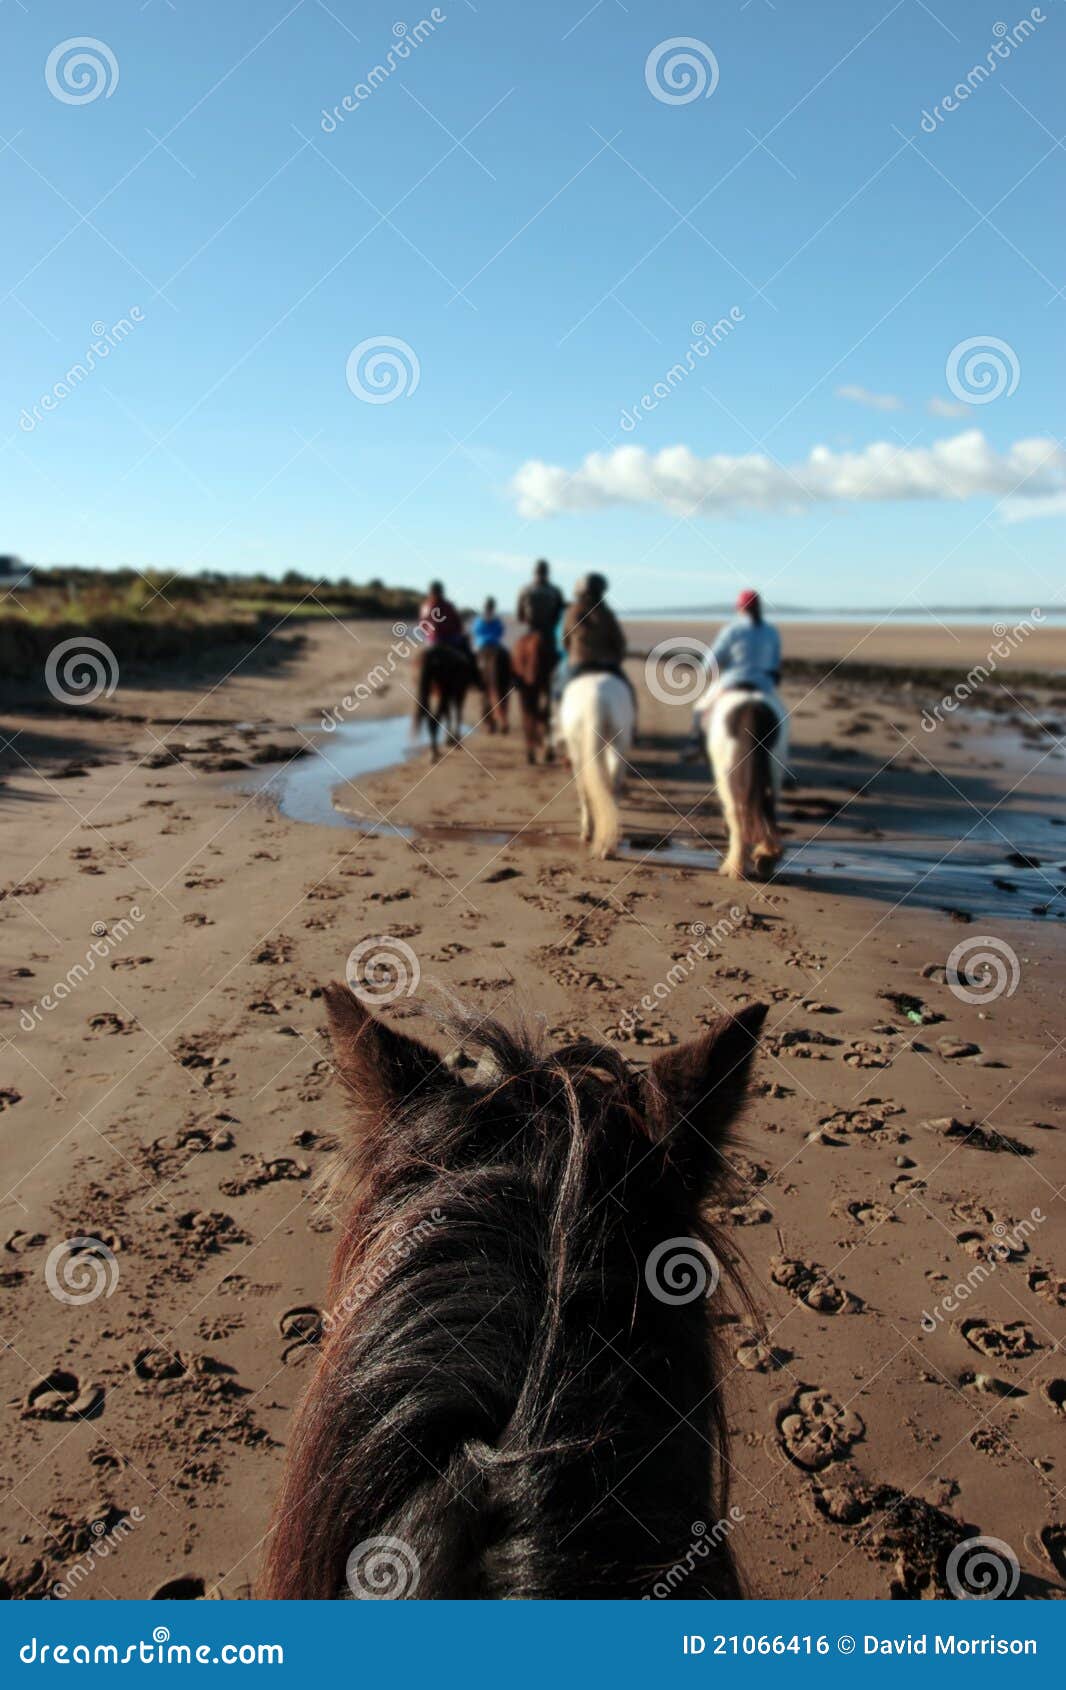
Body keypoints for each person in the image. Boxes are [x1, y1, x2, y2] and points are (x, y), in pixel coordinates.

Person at [686, 588, 783, 756]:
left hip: (733, 682)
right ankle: (784, 760)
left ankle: (696, 744)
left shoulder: (732, 631)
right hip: (763, 685)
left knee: (700, 707)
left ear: (740, 608)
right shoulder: (771, 631)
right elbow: (775, 665)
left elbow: (711, 661)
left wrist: (704, 669)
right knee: (781, 716)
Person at [561, 573, 632, 693]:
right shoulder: (606, 613)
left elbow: (565, 640)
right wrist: (618, 657)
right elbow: (619, 641)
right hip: (607, 663)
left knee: (559, 686)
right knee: (628, 688)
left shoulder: (571, 612)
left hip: (579, 663)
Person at [516, 559, 565, 646]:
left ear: (534, 572)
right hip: (548, 632)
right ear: (547, 573)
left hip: (531, 630)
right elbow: (561, 613)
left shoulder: (525, 590)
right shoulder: (556, 591)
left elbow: (520, 616)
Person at [418, 580, 465, 649]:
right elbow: (457, 623)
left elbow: (422, 625)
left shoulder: (425, 606)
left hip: (432, 640)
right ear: (441, 591)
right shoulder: (448, 605)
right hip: (448, 639)